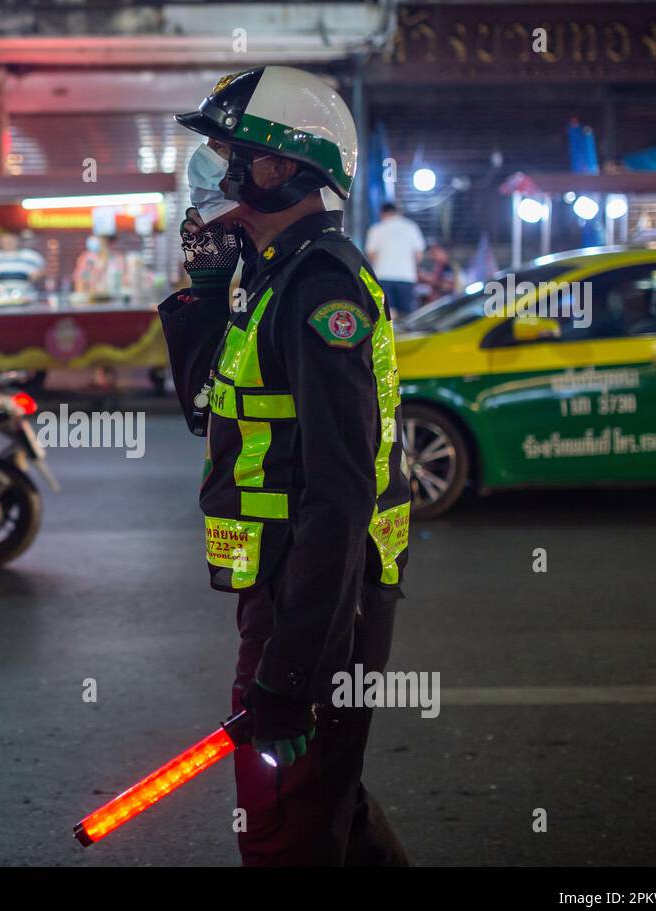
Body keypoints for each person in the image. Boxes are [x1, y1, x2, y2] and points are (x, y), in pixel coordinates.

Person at [160, 66, 411, 866]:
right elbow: (208, 404)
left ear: (283, 168)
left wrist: (294, 671)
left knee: (284, 826)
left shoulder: (317, 289)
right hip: (285, 585)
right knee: (325, 800)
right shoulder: (268, 276)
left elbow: (339, 494)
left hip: (319, 598)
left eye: (229, 151)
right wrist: (203, 288)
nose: (214, 168)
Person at [364, 202, 425, 317]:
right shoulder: (411, 227)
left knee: (387, 314)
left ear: (382, 213)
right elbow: (419, 255)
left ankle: (393, 335)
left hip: (383, 276)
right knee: (407, 314)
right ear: (397, 212)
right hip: (406, 277)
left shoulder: (376, 229)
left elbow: (371, 255)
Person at [0, 232, 45, 298]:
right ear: (0, 240)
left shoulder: (31, 256)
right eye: (5, 238)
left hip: (26, 298)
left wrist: (37, 276)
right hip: (2, 298)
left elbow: (43, 272)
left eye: (12, 237)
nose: (9, 241)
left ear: (18, 239)